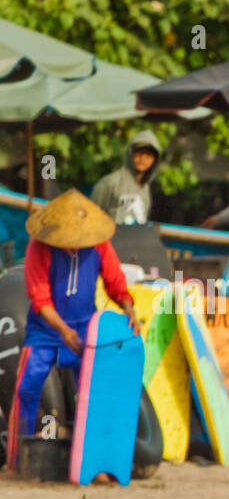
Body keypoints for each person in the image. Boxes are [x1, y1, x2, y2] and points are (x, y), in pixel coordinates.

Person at [7, 191, 138, 479]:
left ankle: (92, 462)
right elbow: (39, 299)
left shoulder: (100, 244)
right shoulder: (39, 247)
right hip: (44, 332)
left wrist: (128, 307)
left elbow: (116, 282)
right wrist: (63, 331)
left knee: (93, 395)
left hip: (86, 329)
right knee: (27, 387)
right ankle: (16, 461)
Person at [89, 130, 162, 225]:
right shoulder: (109, 183)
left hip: (135, 238)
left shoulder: (146, 188)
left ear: (155, 161)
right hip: (110, 238)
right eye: (139, 152)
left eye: (148, 155)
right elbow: (90, 219)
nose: (143, 158)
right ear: (130, 154)